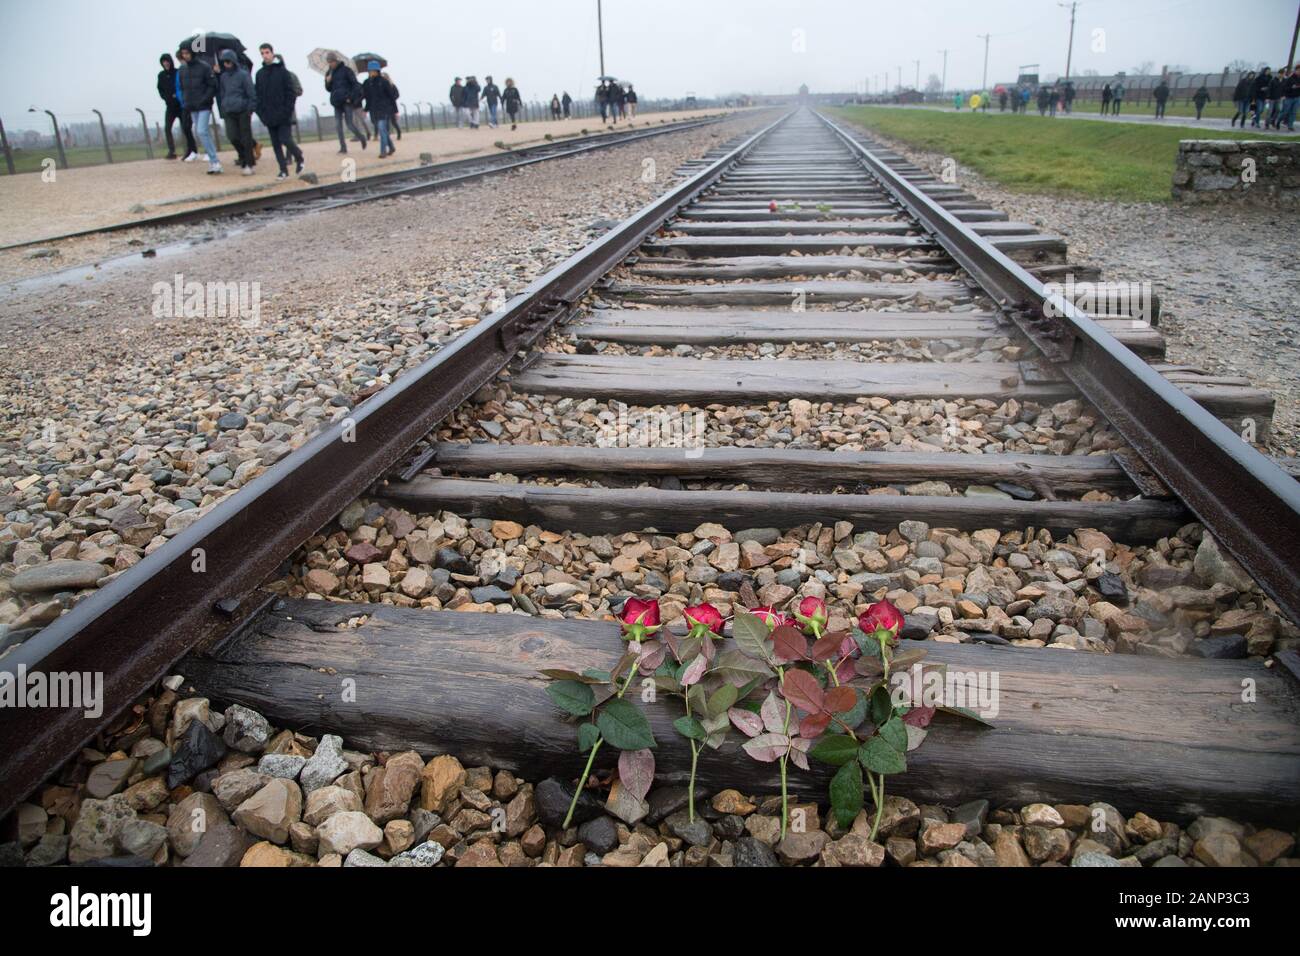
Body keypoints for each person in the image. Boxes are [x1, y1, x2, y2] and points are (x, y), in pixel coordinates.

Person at [255, 43, 303, 180]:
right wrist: (261, 113)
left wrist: (287, 110)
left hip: (283, 114)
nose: (265, 55)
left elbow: (291, 92)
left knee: (285, 139)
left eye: (267, 52)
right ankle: (283, 170)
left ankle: (299, 156)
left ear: (272, 53)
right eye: (262, 53)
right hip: (269, 115)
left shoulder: (283, 72)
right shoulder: (260, 74)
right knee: (276, 144)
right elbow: (257, 95)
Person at [177, 46, 221, 173]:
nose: (185, 56)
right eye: (183, 53)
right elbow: (182, 87)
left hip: (204, 105)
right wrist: (185, 101)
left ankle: (214, 161)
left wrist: (205, 99)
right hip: (191, 106)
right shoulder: (182, 69)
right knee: (200, 131)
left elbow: (213, 85)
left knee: (201, 131)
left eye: (187, 53)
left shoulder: (204, 67)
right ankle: (214, 161)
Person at [216, 49, 256, 175]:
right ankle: (243, 156)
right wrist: (224, 106)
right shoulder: (223, 77)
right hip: (229, 110)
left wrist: (250, 108)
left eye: (228, 61)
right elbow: (222, 93)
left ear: (233, 61)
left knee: (246, 138)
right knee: (232, 136)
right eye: (224, 62)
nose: (226, 64)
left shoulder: (244, 75)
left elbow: (251, 93)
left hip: (243, 109)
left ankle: (249, 163)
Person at [325, 53, 367, 153]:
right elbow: (329, 89)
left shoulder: (347, 71)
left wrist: (350, 97)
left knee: (349, 124)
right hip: (336, 102)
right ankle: (343, 147)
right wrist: (328, 82)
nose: (330, 64)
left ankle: (361, 137)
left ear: (336, 61)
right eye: (329, 62)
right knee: (338, 126)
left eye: (332, 62)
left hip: (347, 101)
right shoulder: (329, 73)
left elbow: (355, 85)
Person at [157, 53, 194, 160]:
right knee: (167, 128)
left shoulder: (177, 72)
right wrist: (165, 97)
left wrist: (179, 97)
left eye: (167, 61)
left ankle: (190, 149)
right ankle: (172, 151)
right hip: (170, 106)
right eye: (164, 62)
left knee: (185, 128)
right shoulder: (161, 75)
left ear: (170, 61)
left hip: (181, 105)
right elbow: (160, 89)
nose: (166, 63)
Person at [1281, 65, 1300, 132]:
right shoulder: (1290, 78)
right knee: (1285, 111)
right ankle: (1278, 120)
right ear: (1295, 70)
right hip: (1289, 97)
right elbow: (1284, 88)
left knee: (1294, 112)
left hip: (1297, 97)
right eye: (1298, 70)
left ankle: (1290, 126)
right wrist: (1292, 87)